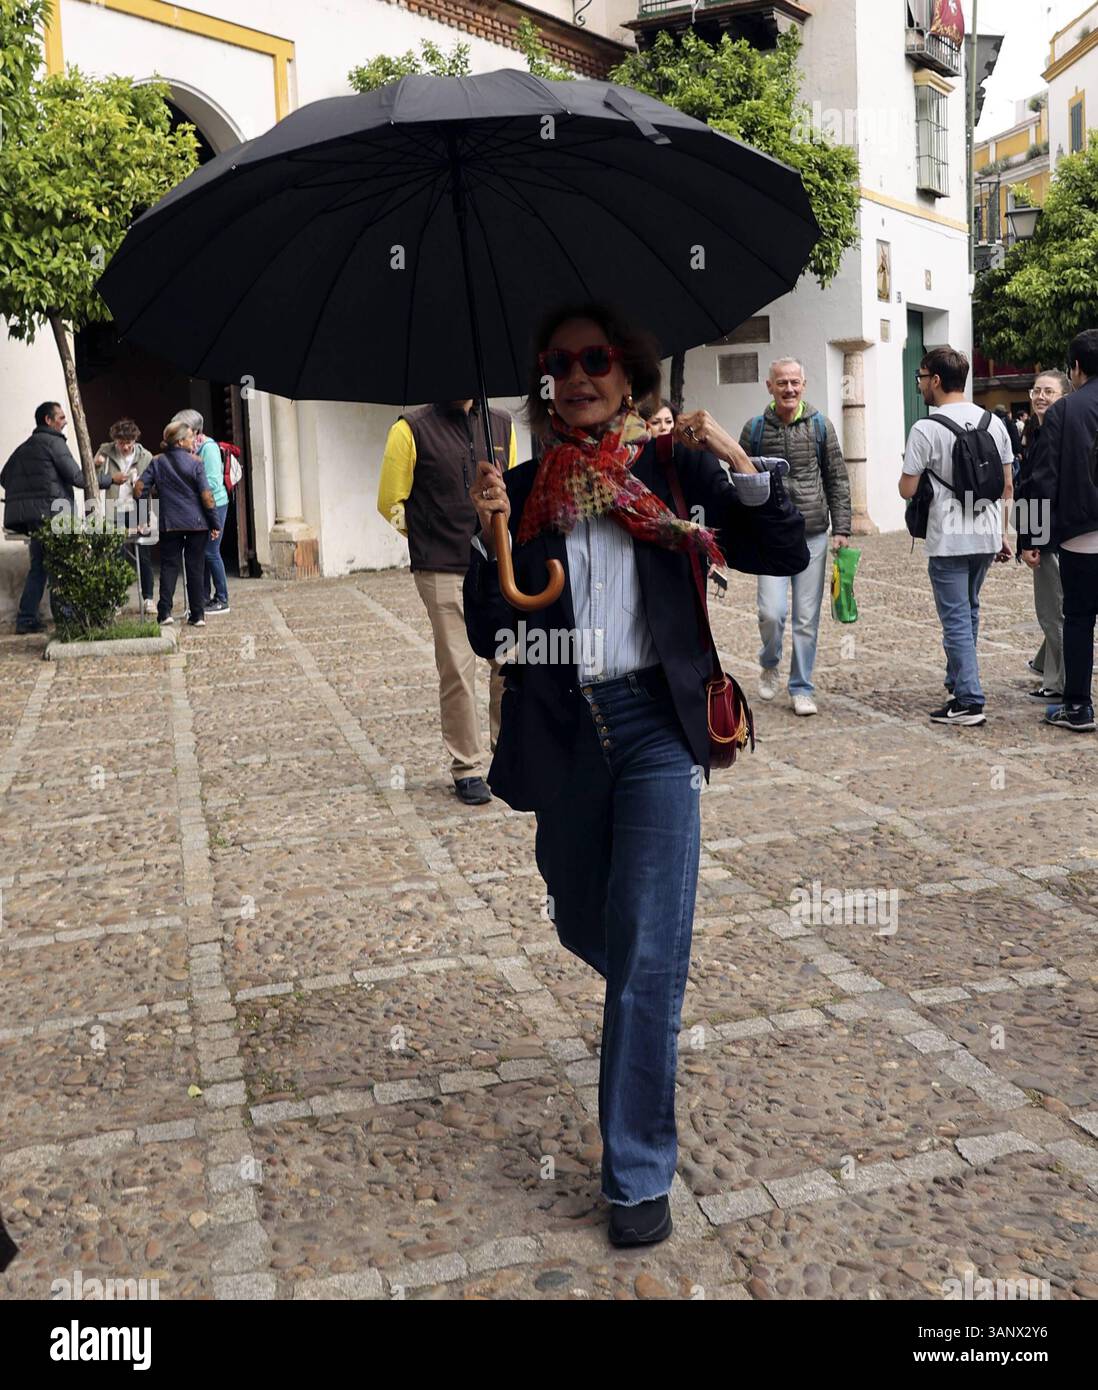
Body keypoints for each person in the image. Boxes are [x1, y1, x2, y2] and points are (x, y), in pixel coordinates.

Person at [464, 304, 808, 1247]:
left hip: (660, 723)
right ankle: (648, 1002)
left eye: (596, 359)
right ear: (543, 382)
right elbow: (492, 632)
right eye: (559, 363)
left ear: (630, 376)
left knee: (648, 952)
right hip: (569, 733)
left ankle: (635, 1177)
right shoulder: (523, 488)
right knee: (584, 918)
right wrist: (489, 537)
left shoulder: (671, 468)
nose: (578, 376)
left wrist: (738, 467)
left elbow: (781, 549)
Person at [378, 399, 517, 806]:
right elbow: (389, 501)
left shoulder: (501, 423)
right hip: (442, 566)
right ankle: (468, 766)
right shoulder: (410, 428)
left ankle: (506, 749)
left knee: (508, 661)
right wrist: (424, 536)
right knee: (458, 665)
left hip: (494, 562)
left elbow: (513, 492)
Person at [899, 347, 1014, 727]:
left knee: (956, 619)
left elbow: (907, 489)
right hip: (985, 534)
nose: (919, 384)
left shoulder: (925, 428)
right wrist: (1002, 533)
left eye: (921, 377)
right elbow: (1007, 485)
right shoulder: (993, 422)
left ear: (935, 380)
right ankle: (957, 682)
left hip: (948, 538)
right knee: (970, 610)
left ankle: (969, 700)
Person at [739, 357, 851, 715]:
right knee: (771, 612)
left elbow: (837, 477)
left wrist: (843, 527)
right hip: (770, 536)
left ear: (804, 385)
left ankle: (801, 686)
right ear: (769, 386)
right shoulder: (754, 429)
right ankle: (769, 661)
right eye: (781, 382)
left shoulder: (821, 427)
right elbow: (737, 480)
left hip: (812, 534)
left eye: (795, 382)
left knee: (806, 617)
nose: (789, 388)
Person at [1025, 329, 1098, 733]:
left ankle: (1078, 707)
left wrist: (1035, 538)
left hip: (1080, 537)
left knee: (1078, 619)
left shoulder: (1064, 412)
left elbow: (1042, 480)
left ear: (1075, 369)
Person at [1, 402, 84, 634]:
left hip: (35, 521)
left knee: (38, 568)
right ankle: (66, 622)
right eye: (61, 417)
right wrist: (108, 478)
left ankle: (26, 619)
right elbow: (77, 477)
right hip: (56, 516)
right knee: (61, 568)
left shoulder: (24, 447)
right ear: (48, 420)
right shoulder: (54, 443)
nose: (64, 421)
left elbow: (4, 477)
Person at [1016, 372, 1071, 704]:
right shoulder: (1037, 430)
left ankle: (1060, 683)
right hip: (1056, 531)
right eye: (1037, 390)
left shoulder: (1051, 431)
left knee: (1053, 611)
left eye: (1049, 391)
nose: (1040, 396)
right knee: (1057, 606)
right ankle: (1045, 665)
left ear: (1063, 396)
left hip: (1050, 534)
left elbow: (1039, 489)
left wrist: (1030, 539)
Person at [134, 421, 220, 628]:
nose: (194, 440)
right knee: (195, 568)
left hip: (170, 523)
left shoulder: (157, 461)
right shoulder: (196, 462)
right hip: (196, 524)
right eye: (190, 437)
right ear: (180, 441)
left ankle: (165, 613)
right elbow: (207, 496)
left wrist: (145, 511)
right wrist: (214, 522)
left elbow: (139, 488)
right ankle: (197, 615)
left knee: (169, 567)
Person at [170, 409, 230, 614]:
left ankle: (222, 599)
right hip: (199, 506)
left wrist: (188, 491)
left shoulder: (209, 448)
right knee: (200, 552)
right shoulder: (188, 449)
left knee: (211, 552)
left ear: (194, 431)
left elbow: (213, 482)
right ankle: (203, 598)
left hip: (216, 505)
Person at [93, 419, 155, 614]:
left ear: (135, 439)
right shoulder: (105, 451)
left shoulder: (146, 456)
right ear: (115, 441)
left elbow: (154, 484)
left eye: (129, 442)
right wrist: (95, 465)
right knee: (115, 554)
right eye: (121, 443)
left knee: (143, 555)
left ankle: (148, 599)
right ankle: (116, 601)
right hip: (115, 508)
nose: (126, 447)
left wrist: (142, 483)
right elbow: (91, 479)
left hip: (139, 507)